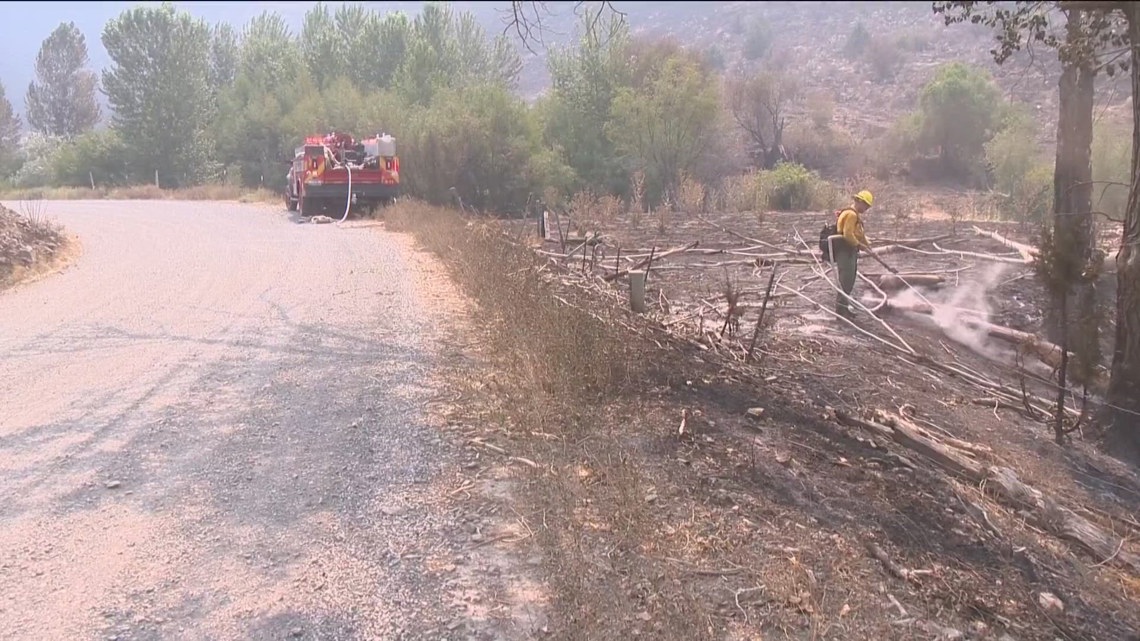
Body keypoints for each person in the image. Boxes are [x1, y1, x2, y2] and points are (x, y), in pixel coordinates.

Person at [830, 190, 874, 318]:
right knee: (846, 282)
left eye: (868, 207)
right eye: (865, 205)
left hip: (850, 252)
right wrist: (859, 245)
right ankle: (840, 312)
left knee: (849, 282)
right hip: (845, 252)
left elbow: (859, 234)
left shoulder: (854, 215)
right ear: (859, 201)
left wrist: (868, 246)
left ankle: (844, 308)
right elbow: (848, 234)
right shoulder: (851, 215)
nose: (866, 209)